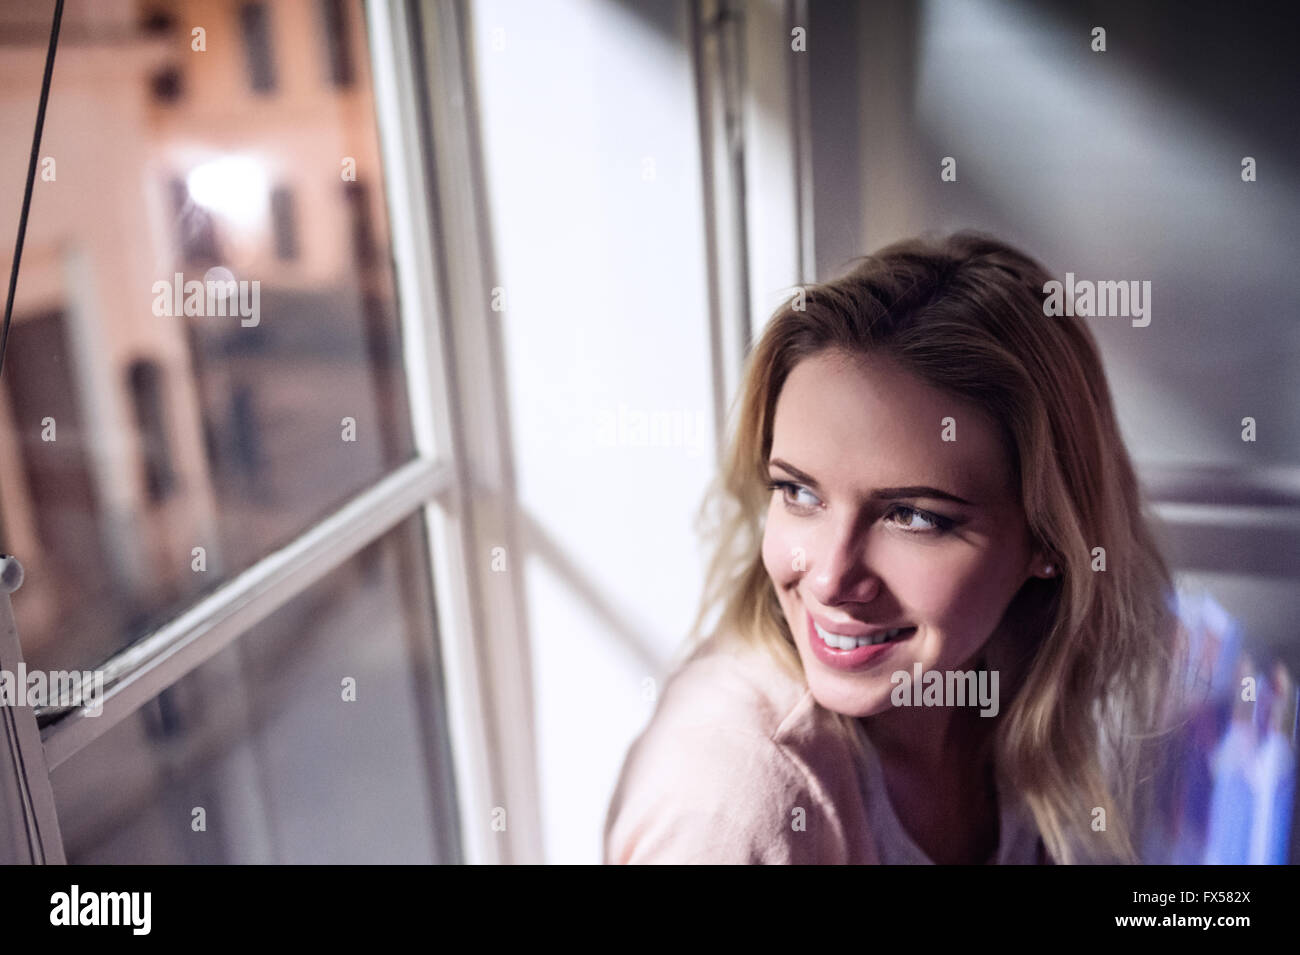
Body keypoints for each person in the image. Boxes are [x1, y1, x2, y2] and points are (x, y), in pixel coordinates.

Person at [603, 231, 1187, 864]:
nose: (829, 578)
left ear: (1049, 541)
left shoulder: (1001, 690)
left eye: (911, 515)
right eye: (799, 491)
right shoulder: (737, 802)